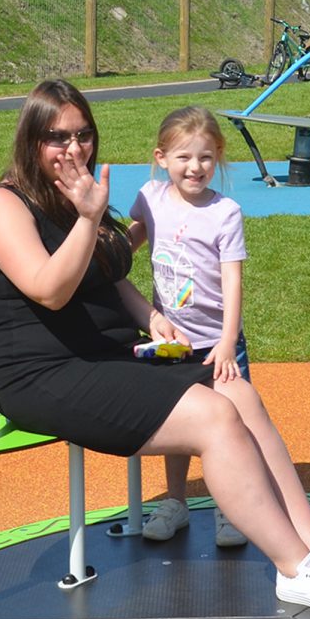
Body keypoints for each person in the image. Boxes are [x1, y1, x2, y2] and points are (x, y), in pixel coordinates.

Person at [0, 80, 310, 614]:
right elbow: (51, 289)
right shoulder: (3, 203)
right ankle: (295, 570)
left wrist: (149, 314)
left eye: (83, 135)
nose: (73, 149)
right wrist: (87, 217)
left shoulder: (71, 194)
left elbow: (107, 273)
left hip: (105, 355)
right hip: (42, 372)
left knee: (237, 393)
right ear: (31, 140)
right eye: (57, 138)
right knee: (214, 417)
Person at [126, 106, 250, 548]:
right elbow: (131, 241)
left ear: (217, 156)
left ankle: (230, 508)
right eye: (182, 157)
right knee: (178, 424)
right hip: (170, 342)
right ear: (161, 158)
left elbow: (233, 278)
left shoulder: (225, 212)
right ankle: (176, 502)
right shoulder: (151, 198)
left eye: (204, 157)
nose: (194, 167)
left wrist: (227, 341)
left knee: (230, 425)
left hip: (217, 342)